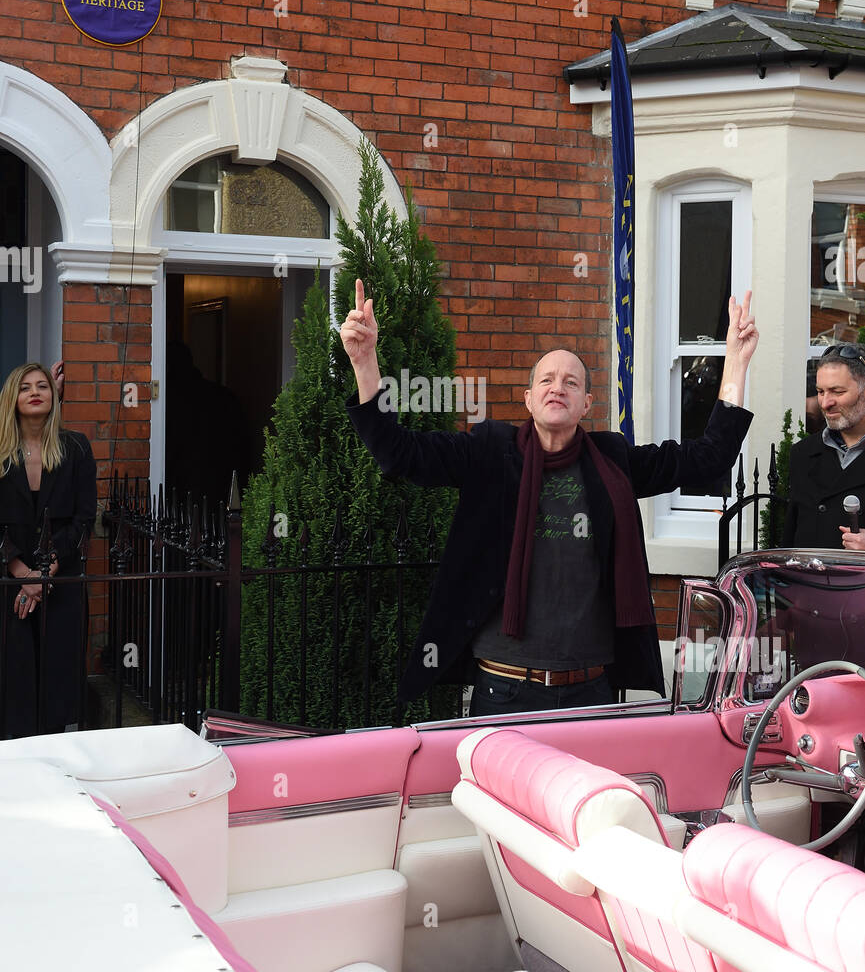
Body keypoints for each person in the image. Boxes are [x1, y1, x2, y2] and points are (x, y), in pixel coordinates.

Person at [341, 281, 758, 715]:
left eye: (571, 382)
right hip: (502, 688)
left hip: (590, 691)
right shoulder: (488, 453)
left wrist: (736, 362)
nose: (557, 387)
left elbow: (709, 459)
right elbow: (399, 453)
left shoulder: (612, 460)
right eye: (547, 380)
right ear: (528, 399)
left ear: (586, 405)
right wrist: (365, 362)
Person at [0, 362, 97, 736]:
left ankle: (56, 764)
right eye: (25, 387)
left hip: (62, 577)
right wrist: (22, 574)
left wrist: (46, 570)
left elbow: (84, 518)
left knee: (57, 678)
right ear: (12, 398)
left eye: (42, 385)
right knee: (16, 678)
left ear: (53, 396)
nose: (35, 392)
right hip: (9, 580)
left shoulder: (75, 448)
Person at [783, 344, 865, 551]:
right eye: (820, 391)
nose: (825, 403)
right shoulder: (802, 453)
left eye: (837, 391)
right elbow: (791, 540)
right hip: (810, 582)